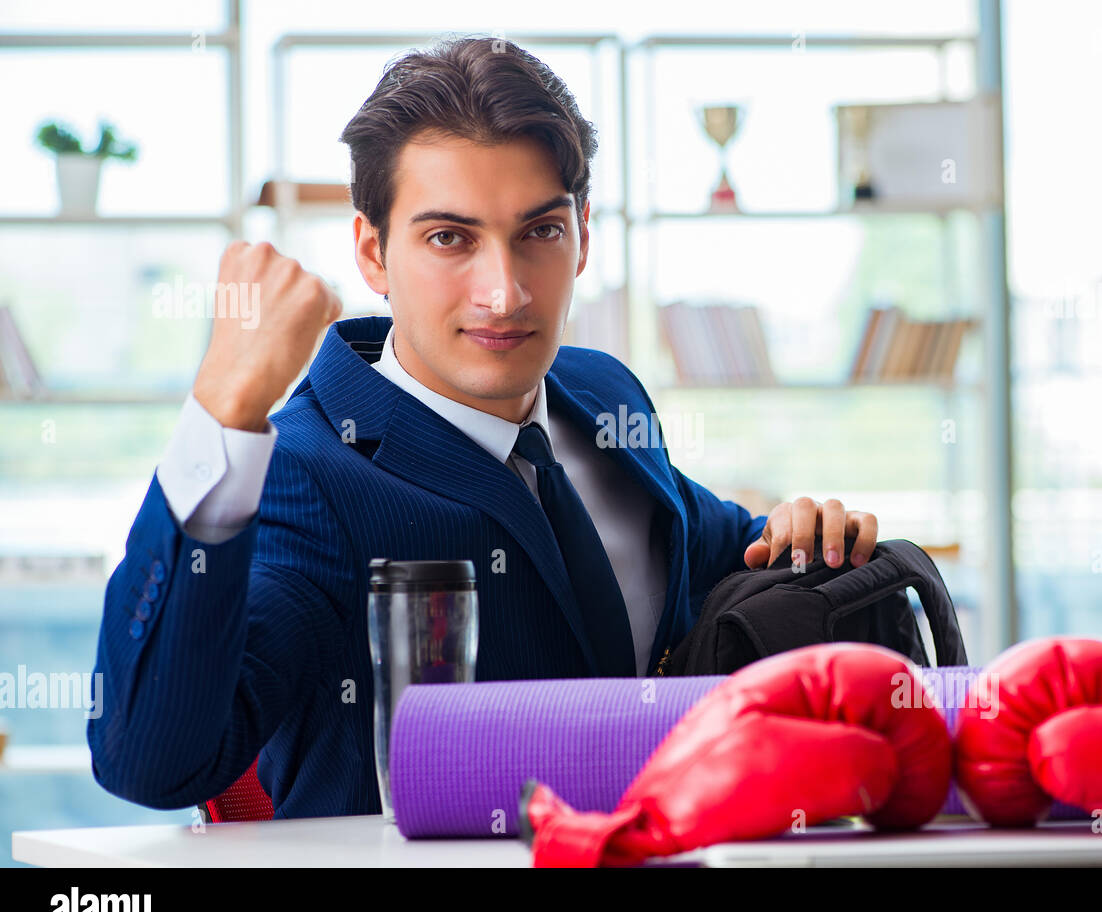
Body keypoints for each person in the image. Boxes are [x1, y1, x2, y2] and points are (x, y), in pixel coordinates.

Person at [88, 36, 880, 817]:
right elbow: (153, 762)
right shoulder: (311, 474)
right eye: (449, 238)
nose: (504, 293)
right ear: (372, 251)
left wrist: (801, 532)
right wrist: (221, 413)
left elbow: (710, 551)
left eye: (539, 231)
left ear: (583, 236)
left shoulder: (604, 395)